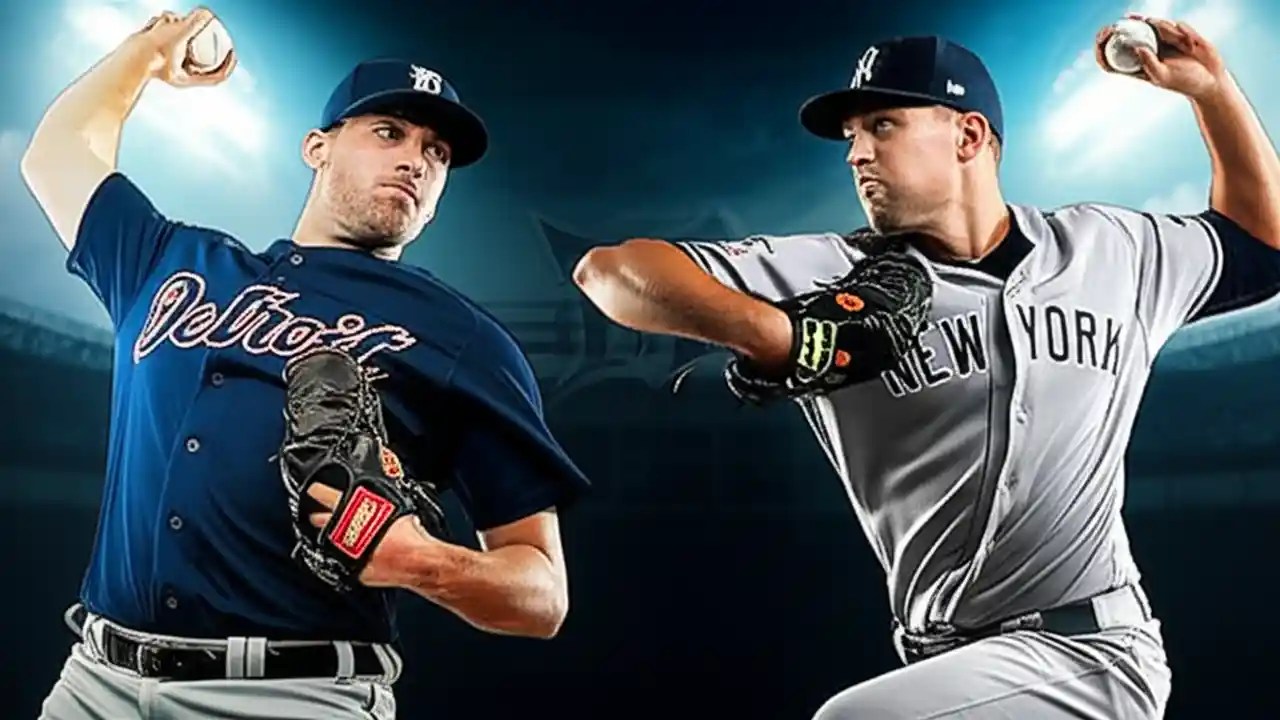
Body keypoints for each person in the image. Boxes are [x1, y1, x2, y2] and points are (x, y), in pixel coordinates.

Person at [574, 15, 1280, 719]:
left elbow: (1261, 244)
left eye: (882, 125)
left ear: (968, 136)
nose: (856, 154)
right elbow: (609, 271)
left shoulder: (1109, 250)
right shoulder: (834, 276)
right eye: (851, 137)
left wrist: (1211, 92)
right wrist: (777, 332)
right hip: (952, 666)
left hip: (1092, 653)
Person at [22, 8, 590, 719]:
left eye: (437, 152)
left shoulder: (464, 339)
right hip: (96, 682)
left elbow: (541, 595)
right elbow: (55, 155)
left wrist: (423, 560)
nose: (416, 159)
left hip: (293, 696)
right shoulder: (173, 260)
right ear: (317, 148)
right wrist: (153, 48)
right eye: (389, 132)